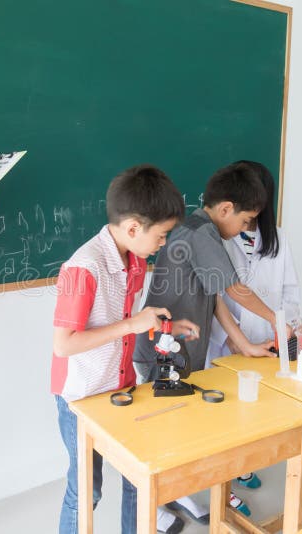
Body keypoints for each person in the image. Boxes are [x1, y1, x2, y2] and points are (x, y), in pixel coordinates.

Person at [51, 164, 198, 534]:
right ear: (134, 228)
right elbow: (64, 345)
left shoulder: (133, 258)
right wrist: (135, 324)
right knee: (87, 490)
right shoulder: (82, 268)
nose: (164, 244)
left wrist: (165, 326)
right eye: (162, 236)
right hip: (81, 397)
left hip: (119, 387)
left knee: (137, 477)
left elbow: (124, 319)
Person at [133, 160, 278, 524]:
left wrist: (243, 343)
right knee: (159, 432)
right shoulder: (199, 233)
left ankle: (176, 495)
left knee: (177, 427)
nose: (246, 230)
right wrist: (278, 320)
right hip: (162, 352)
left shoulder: (201, 231)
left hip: (182, 351)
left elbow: (215, 297)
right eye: (245, 221)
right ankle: (152, 509)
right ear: (226, 208)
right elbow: (235, 291)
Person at [205, 161, 300, 495]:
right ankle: (222, 485)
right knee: (220, 415)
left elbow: (289, 291)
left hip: (262, 341)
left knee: (251, 415)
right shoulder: (216, 236)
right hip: (223, 344)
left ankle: (241, 467)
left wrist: (282, 326)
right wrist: (233, 339)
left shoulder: (278, 238)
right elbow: (215, 296)